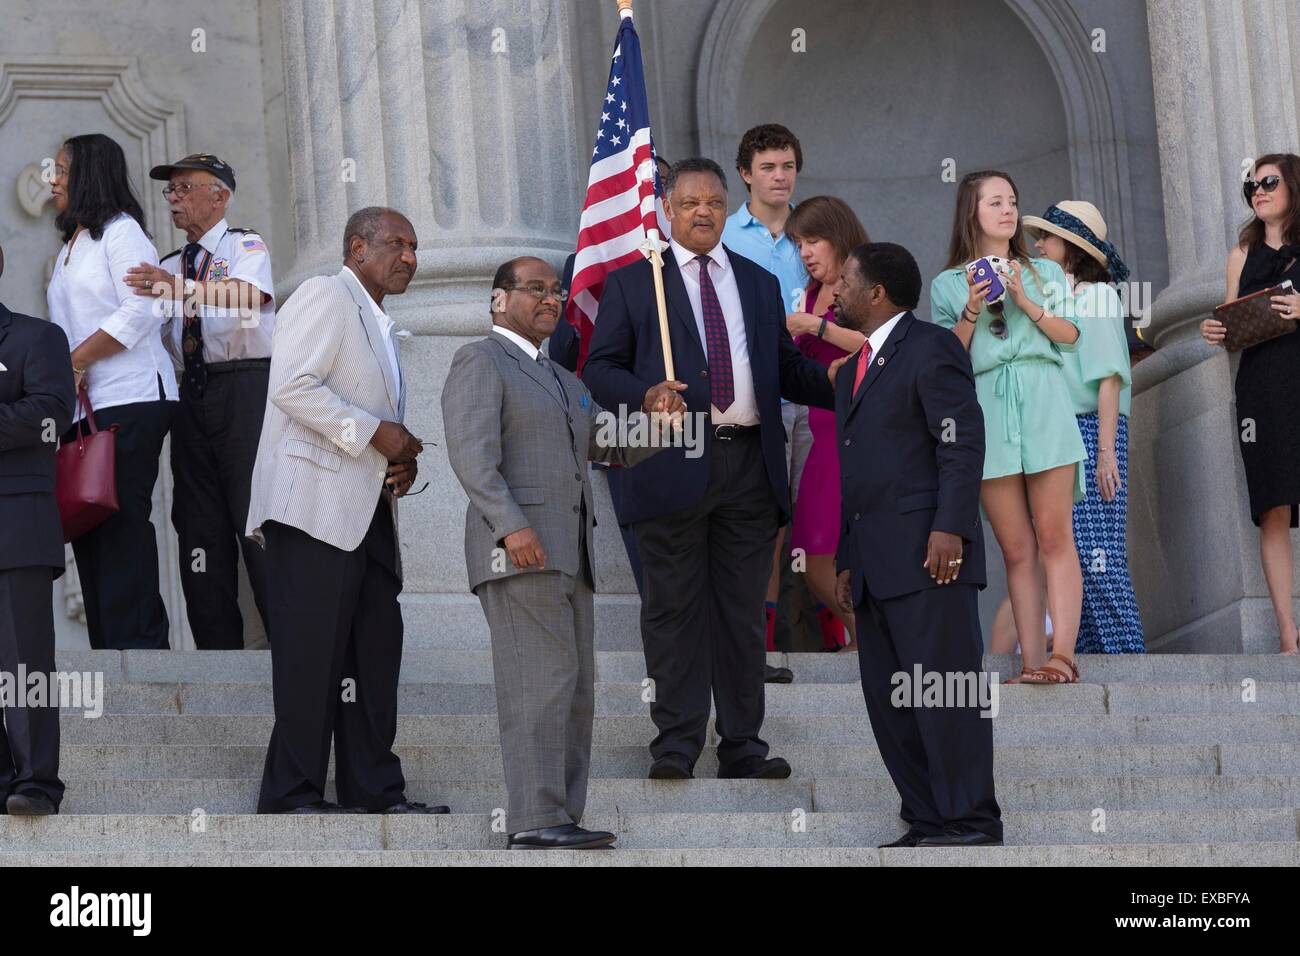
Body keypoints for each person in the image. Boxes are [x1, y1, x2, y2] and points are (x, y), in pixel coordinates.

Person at [583, 157, 839, 781]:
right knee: (673, 610)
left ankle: (743, 745)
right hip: (671, 463)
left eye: (715, 203)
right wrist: (645, 392)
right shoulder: (633, 283)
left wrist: (844, 380)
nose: (703, 212)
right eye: (691, 202)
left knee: (741, 612)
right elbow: (598, 368)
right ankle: (675, 741)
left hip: (749, 464)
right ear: (667, 210)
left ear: (728, 210)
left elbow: (786, 369)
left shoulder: (755, 281)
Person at [443, 256, 678, 850]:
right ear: (499, 300)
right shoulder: (480, 359)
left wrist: (656, 419)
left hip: (571, 559)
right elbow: (473, 456)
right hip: (519, 553)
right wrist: (509, 526)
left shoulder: (565, 379)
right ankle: (532, 818)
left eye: (556, 291)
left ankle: (561, 816)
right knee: (536, 688)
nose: (549, 299)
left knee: (571, 691)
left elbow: (611, 444)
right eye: (534, 289)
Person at [246, 207, 445, 814]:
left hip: (367, 513)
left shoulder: (379, 319)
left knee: (374, 655)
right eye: (396, 245)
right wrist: (372, 433)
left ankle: (375, 789)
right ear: (357, 247)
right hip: (310, 511)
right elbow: (292, 386)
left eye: (414, 247)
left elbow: (363, 418)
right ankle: (291, 792)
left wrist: (396, 459)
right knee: (311, 657)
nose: (409, 257)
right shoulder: (324, 294)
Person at [832, 241, 1001, 847]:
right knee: (891, 701)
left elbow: (961, 442)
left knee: (947, 693)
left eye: (845, 279)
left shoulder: (932, 347)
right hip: (876, 567)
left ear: (876, 293)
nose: (835, 289)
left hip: (933, 558)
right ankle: (928, 817)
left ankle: (972, 820)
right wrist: (848, 560)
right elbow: (856, 473)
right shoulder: (853, 369)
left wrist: (950, 526)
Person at [931, 170, 1085, 685]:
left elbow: (1070, 335)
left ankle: (1062, 654)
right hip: (988, 407)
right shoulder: (948, 282)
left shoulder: (1044, 270)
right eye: (994, 201)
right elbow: (945, 357)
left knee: (1054, 534)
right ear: (970, 211)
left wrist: (1025, 300)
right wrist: (973, 308)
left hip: (1043, 398)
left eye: (1012, 201)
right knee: (1016, 547)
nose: (1007, 210)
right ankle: (1030, 661)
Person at [125, 153, 275, 650]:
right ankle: (217, 652)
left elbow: (250, 295)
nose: (174, 199)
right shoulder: (169, 264)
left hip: (244, 386)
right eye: (170, 191)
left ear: (220, 195)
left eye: (185, 188)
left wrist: (182, 290)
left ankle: (290, 645)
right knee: (196, 523)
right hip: (189, 392)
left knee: (254, 513)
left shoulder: (244, 245)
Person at [46, 133, 177, 650]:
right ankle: (109, 656)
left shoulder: (123, 233)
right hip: (89, 406)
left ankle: (141, 653)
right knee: (90, 525)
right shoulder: (73, 243)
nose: (53, 180)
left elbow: (144, 309)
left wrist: (76, 360)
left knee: (121, 523)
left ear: (90, 174)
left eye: (61, 170)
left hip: (133, 396)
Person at [1026, 200, 1144, 654]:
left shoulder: (1098, 296)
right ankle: (1092, 653)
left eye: (1048, 238)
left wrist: (1108, 452)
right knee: (1069, 550)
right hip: (1058, 429)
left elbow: (1110, 377)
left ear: (1071, 248)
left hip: (1094, 429)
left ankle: (1127, 657)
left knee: (1100, 556)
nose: (1038, 245)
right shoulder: (1054, 298)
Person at [1200, 152, 1300, 655]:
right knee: (1273, 507)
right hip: (1262, 388)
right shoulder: (1241, 254)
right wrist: (1214, 329)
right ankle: (1288, 634)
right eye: (1251, 187)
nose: (1258, 192)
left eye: (1269, 182)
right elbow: (1231, 322)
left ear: (1293, 186)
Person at [721, 124, 811, 656]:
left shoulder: (813, 231)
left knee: (809, 523)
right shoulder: (726, 236)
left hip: (814, 401)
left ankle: (804, 637)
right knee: (763, 525)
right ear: (745, 175)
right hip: (754, 400)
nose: (780, 177)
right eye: (769, 168)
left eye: (788, 166)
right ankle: (757, 650)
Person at [0, 244, 75, 816]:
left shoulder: (35, 337)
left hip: (16, 522)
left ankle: (36, 784)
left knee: (24, 661)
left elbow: (51, 413)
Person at [784, 196, 869, 652]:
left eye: (813, 241)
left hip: (858, 429)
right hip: (815, 433)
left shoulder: (864, 282)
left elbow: (879, 342)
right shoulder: (806, 295)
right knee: (813, 553)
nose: (806, 253)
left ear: (838, 237)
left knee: (859, 545)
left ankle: (866, 640)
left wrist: (816, 328)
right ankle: (862, 632)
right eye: (799, 244)